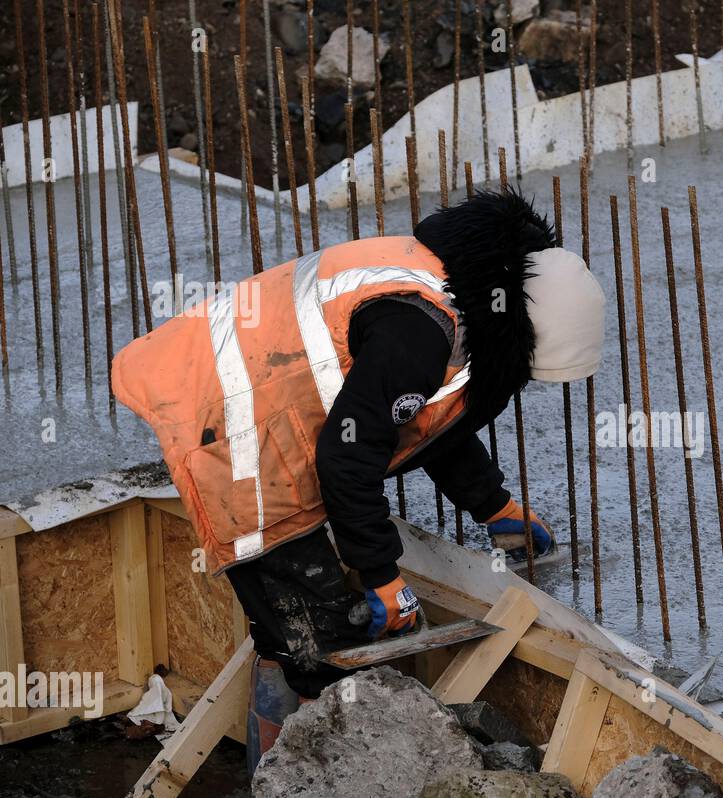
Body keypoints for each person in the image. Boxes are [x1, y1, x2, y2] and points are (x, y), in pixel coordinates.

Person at [112, 188, 605, 768]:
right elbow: (348, 459)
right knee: (315, 644)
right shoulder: (418, 331)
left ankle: (283, 783)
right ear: (517, 334)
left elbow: (417, 421)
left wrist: (493, 504)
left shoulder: (445, 290)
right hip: (227, 426)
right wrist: (380, 575)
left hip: (235, 389)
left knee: (301, 633)